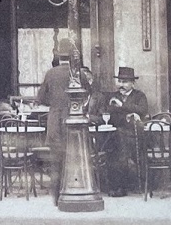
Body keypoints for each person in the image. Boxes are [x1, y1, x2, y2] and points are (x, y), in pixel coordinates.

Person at [36, 40, 95, 205]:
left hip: (55, 122)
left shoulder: (50, 73)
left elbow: (40, 98)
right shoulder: (78, 74)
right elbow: (88, 94)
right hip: (74, 121)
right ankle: (75, 191)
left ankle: (56, 197)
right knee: (75, 158)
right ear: (72, 56)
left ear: (57, 55)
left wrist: (55, 104)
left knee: (56, 160)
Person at [102, 66, 148, 197]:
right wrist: (126, 115)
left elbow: (142, 110)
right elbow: (109, 114)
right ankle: (113, 186)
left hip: (135, 136)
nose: (121, 85)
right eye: (120, 81)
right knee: (114, 150)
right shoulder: (113, 96)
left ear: (133, 83)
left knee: (120, 150)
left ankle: (120, 187)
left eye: (125, 82)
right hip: (115, 135)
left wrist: (122, 106)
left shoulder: (139, 96)